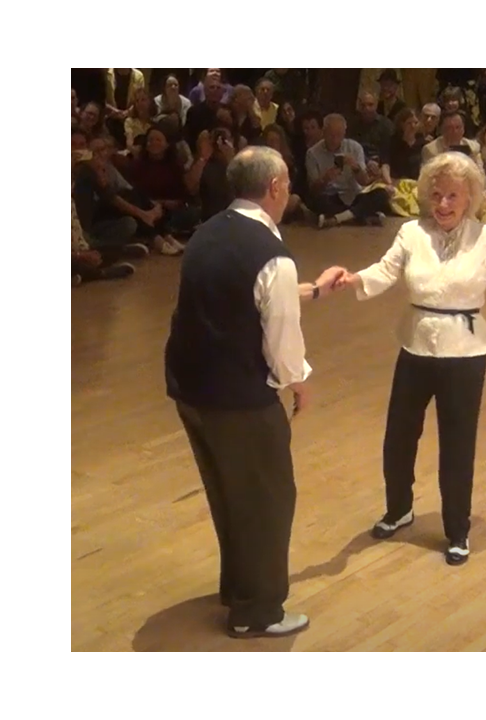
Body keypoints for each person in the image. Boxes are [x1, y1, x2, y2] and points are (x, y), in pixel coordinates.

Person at [332, 152, 486, 565]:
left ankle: (457, 530)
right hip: (415, 345)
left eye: (453, 196)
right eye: (437, 195)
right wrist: (353, 279)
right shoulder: (411, 233)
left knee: (457, 445)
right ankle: (398, 510)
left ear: (470, 197)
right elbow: (384, 270)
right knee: (398, 438)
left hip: (465, 354)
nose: (443, 204)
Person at [164, 146, 346, 639]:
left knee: (229, 492)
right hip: (239, 400)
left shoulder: (207, 232)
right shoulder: (271, 253)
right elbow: (282, 341)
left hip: (191, 391)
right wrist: (299, 383)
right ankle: (258, 612)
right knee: (267, 500)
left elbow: (247, 298)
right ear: (276, 187)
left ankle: (239, 589)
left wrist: (315, 289)